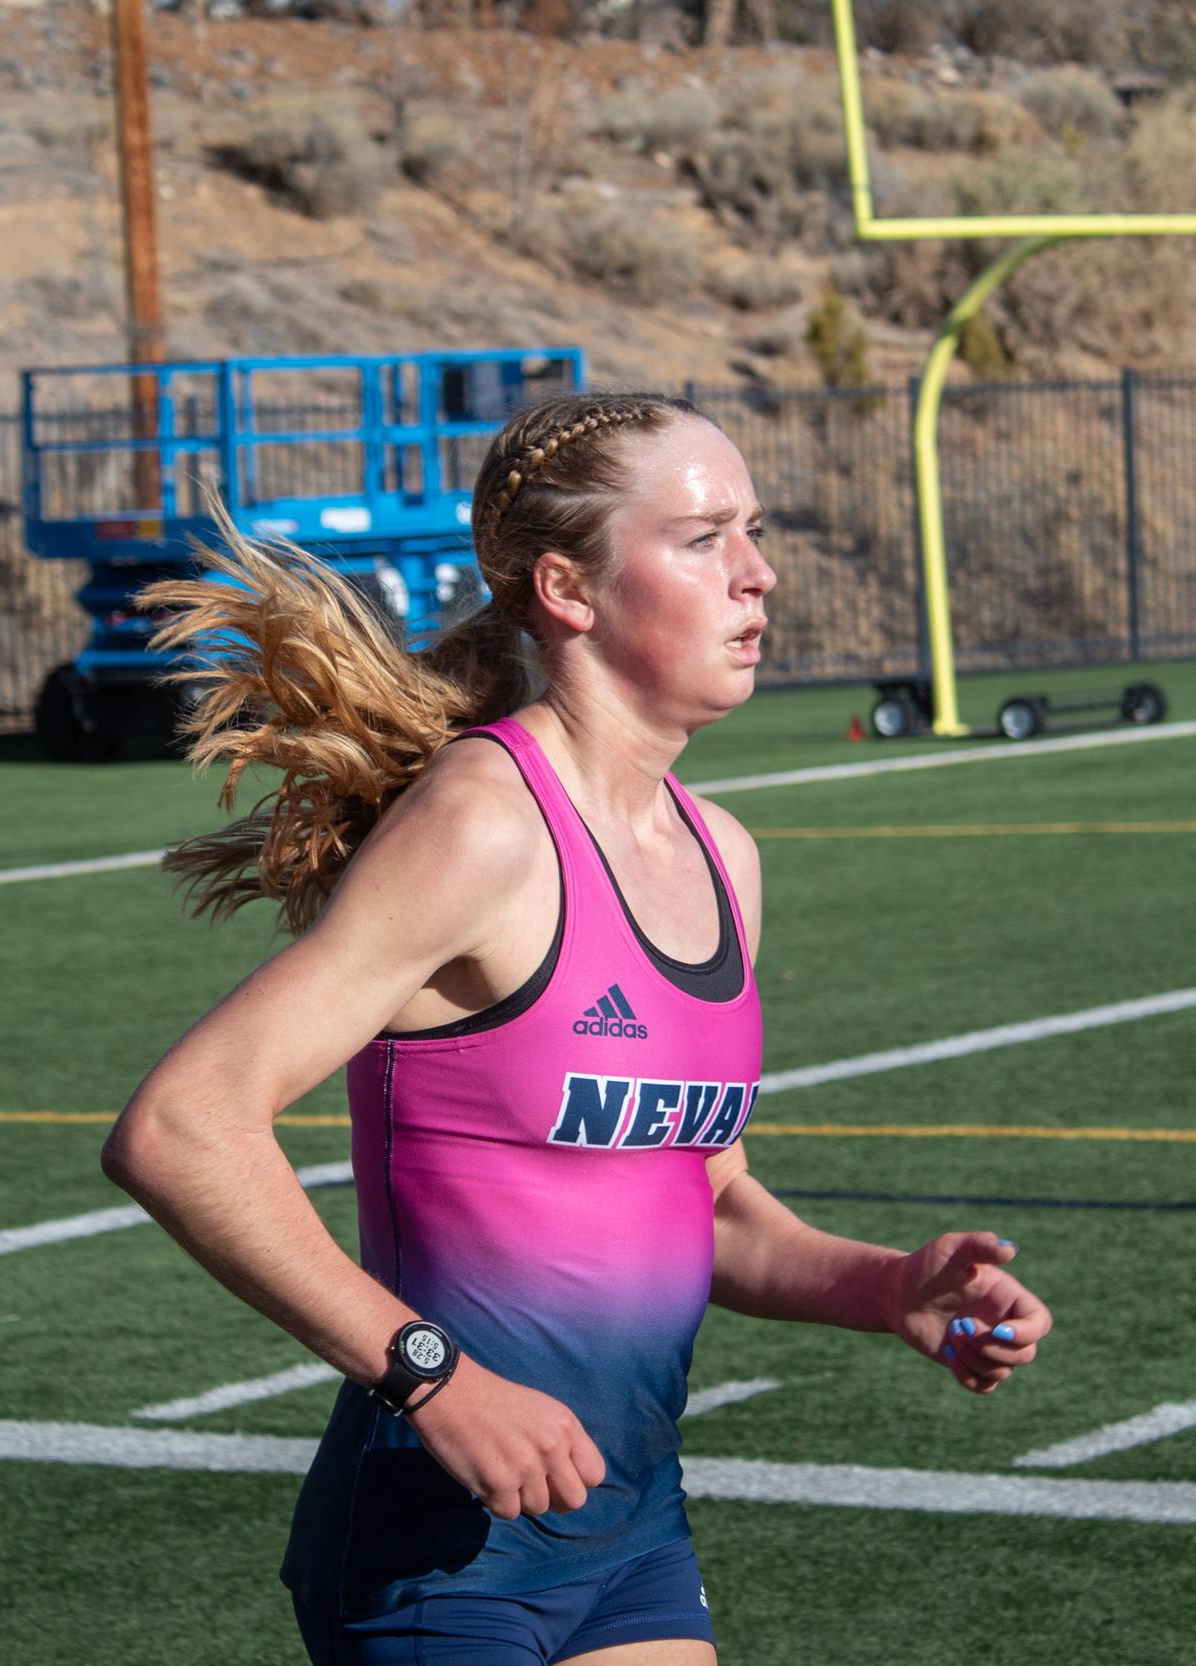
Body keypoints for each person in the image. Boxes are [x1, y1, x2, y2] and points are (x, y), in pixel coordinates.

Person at [101, 392, 1050, 1666]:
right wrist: (435, 1376)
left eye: (754, 532)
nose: (758, 575)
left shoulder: (724, 857)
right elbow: (181, 1127)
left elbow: (704, 1206)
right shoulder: (485, 823)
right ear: (569, 587)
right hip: (440, 1550)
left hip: (630, 1534)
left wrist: (888, 1289)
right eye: (705, 537)